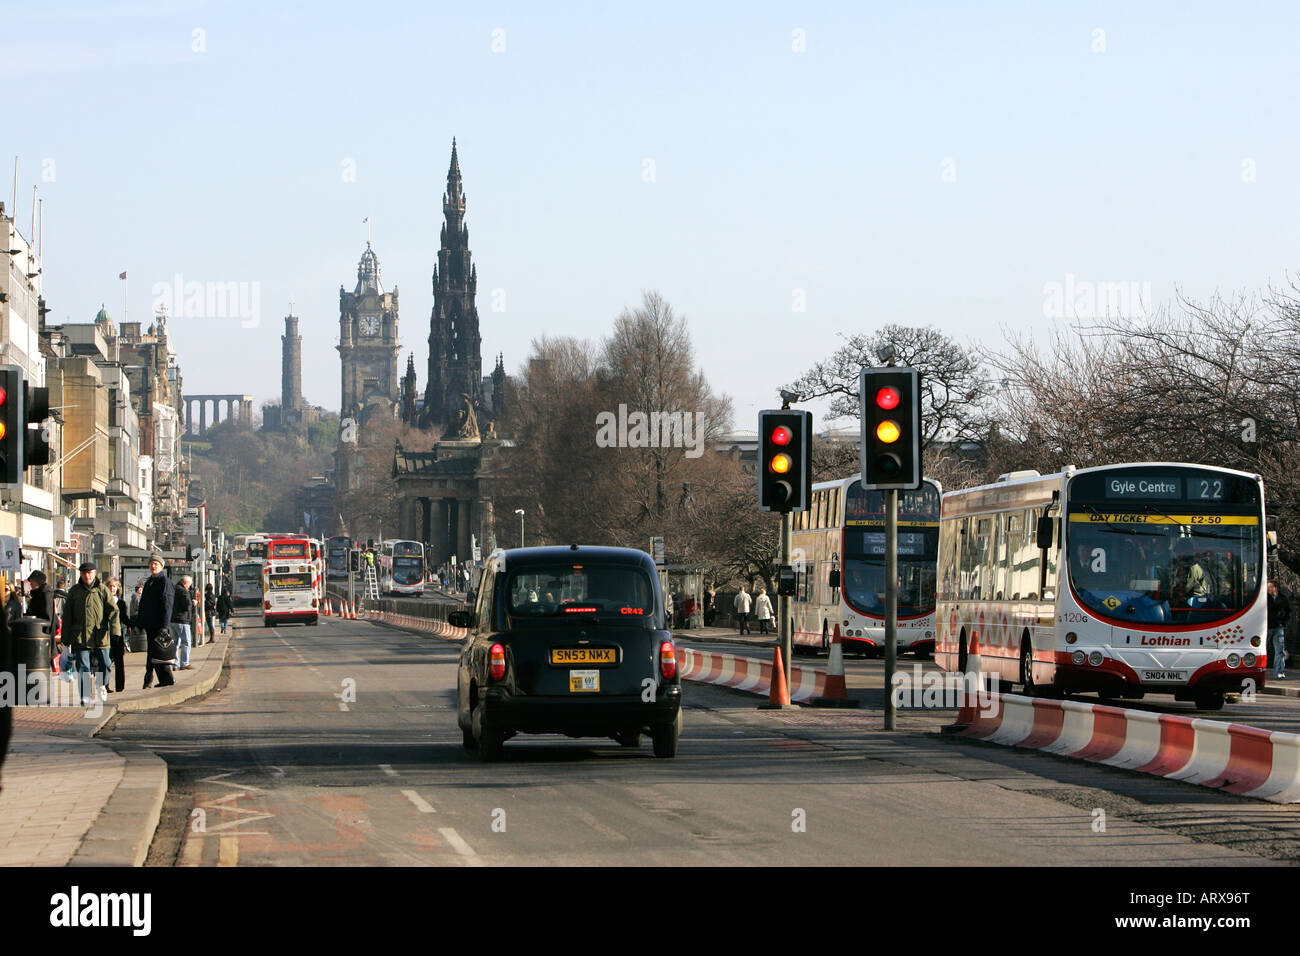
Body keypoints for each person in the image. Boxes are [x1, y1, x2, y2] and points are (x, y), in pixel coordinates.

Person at [61, 562, 120, 706]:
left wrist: (115, 631)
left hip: (101, 635)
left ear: (95, 573)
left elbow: (113, 611)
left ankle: (102, 685)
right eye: (84, 573)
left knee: (105, 663)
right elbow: (67, 615)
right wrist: (65, 638)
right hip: (80, 635)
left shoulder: (102, 590)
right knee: (83, 667)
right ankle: (85, 695)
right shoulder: (74, 591)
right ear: (81, 575)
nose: (87, 576)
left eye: (90, 573)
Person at [139, 554, 176, 689]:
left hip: (159, 624)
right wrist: (140, 622)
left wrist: (165, 626)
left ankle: (154, 680)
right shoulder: (150, 582)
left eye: (156, 564)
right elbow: (144, 604)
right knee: (155, 652)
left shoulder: (164, 582)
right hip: (150, 624)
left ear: (161, 566)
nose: (153, 566)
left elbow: (167, 605)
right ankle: (163, 679)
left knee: (159, 652)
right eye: (151, 563)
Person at [106, 576, 130, 694]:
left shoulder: (121, 602)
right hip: (105, 635)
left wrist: (133, 623)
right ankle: (104, 685)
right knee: (105, 661)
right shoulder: (103, 600)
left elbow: (124, 618)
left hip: (118, 634)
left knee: (119, 661)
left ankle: (120, 686)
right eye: (110, 586)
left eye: (114, 586)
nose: (112, 588)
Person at [1268, 580, 1291, 680]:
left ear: (1275, 587)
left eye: (1270, 587)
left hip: (1278, 626)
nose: (1268, 589)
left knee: (1280, 650)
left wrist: (1283, 622)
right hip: (1267, 626)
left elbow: (1287, 611)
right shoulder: (1264, 598)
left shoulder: (1282, 598)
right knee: (1262, 649)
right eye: (1267, 587)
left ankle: (1279, 672)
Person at [171, 574, 194, 670]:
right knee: (186, 642)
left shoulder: (173, 589)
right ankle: (184, 663)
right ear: (185, 583)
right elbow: (187, 606)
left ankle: (175, 664)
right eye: (189, 584)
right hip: (182, 620)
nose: (190, 586)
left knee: (175, 643)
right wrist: (193, 603)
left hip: (172, 620)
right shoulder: (184, 591)